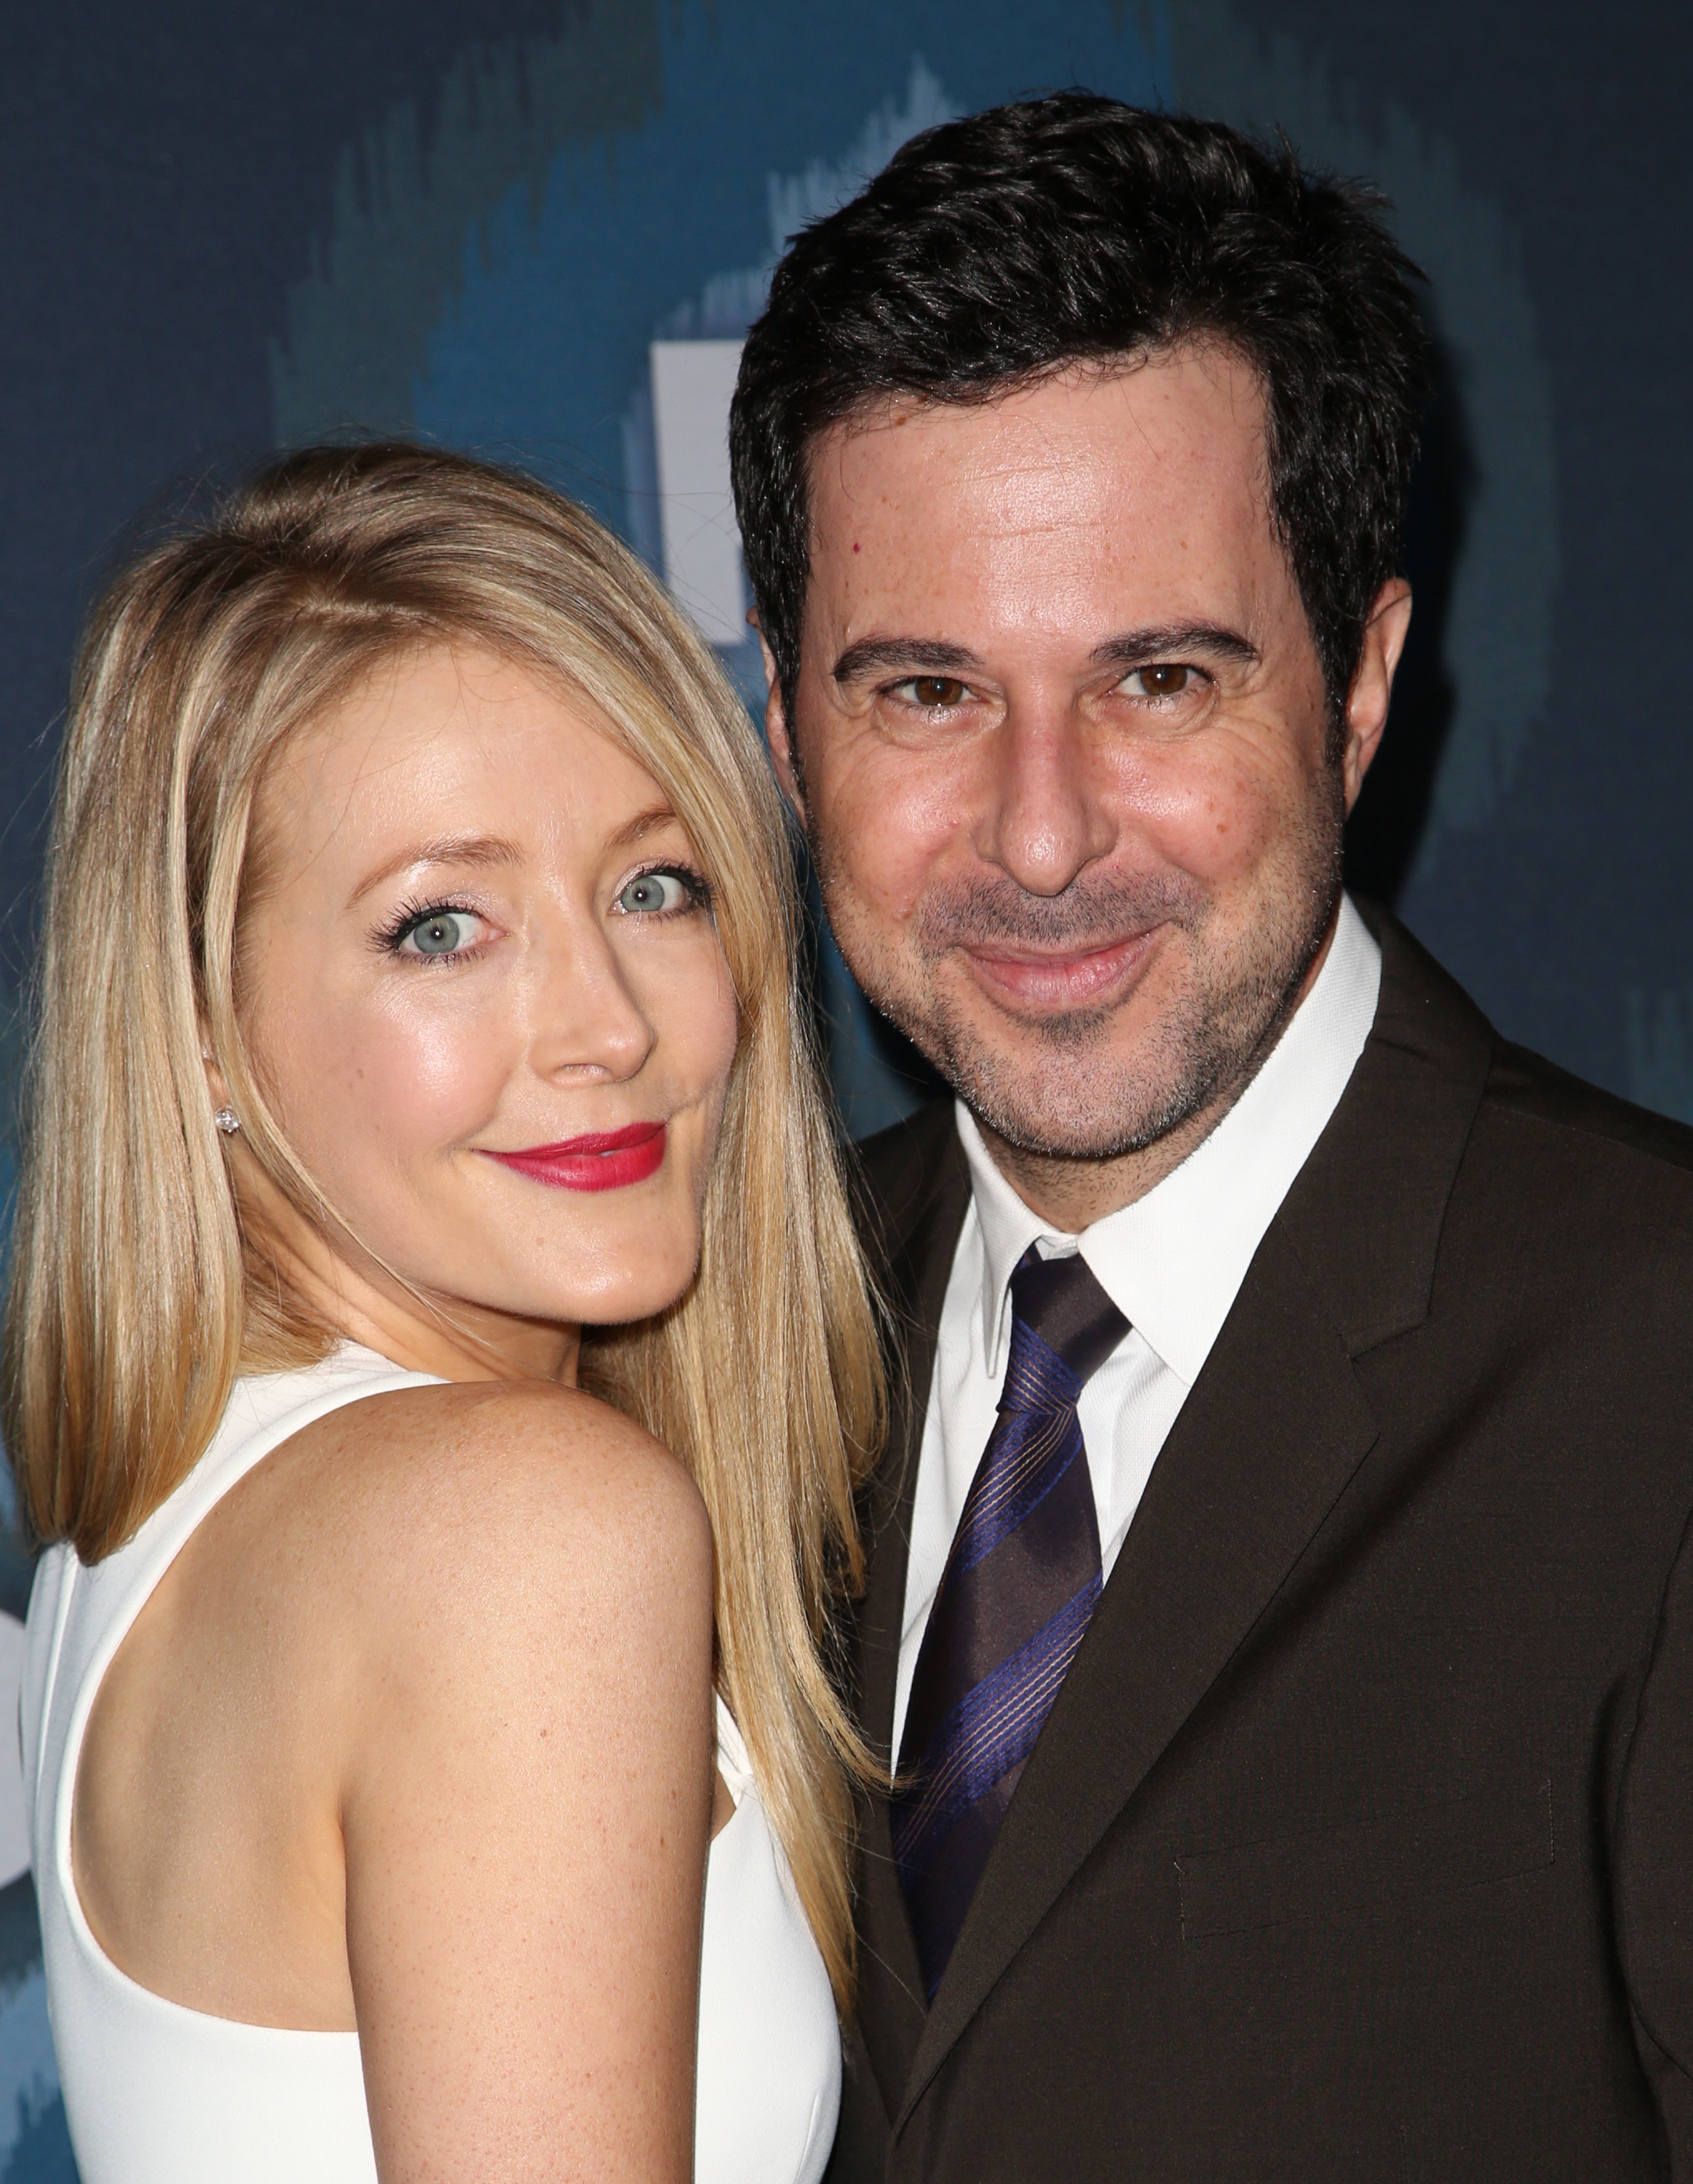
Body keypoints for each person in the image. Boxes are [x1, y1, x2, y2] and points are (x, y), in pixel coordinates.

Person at [729, 92, 1693, 2180]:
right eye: (923, 692)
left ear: (1357, 687)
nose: (1038, 835)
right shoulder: (726, 1352)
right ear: (787, 733)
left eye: (1156, 679)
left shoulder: (1653, 1359)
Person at [5, 443, 884, 2184]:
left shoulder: (154, 1524)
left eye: (654, 886)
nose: (607, 1025)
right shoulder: (522, 1527)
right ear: (199, 1029)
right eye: (439, 930)